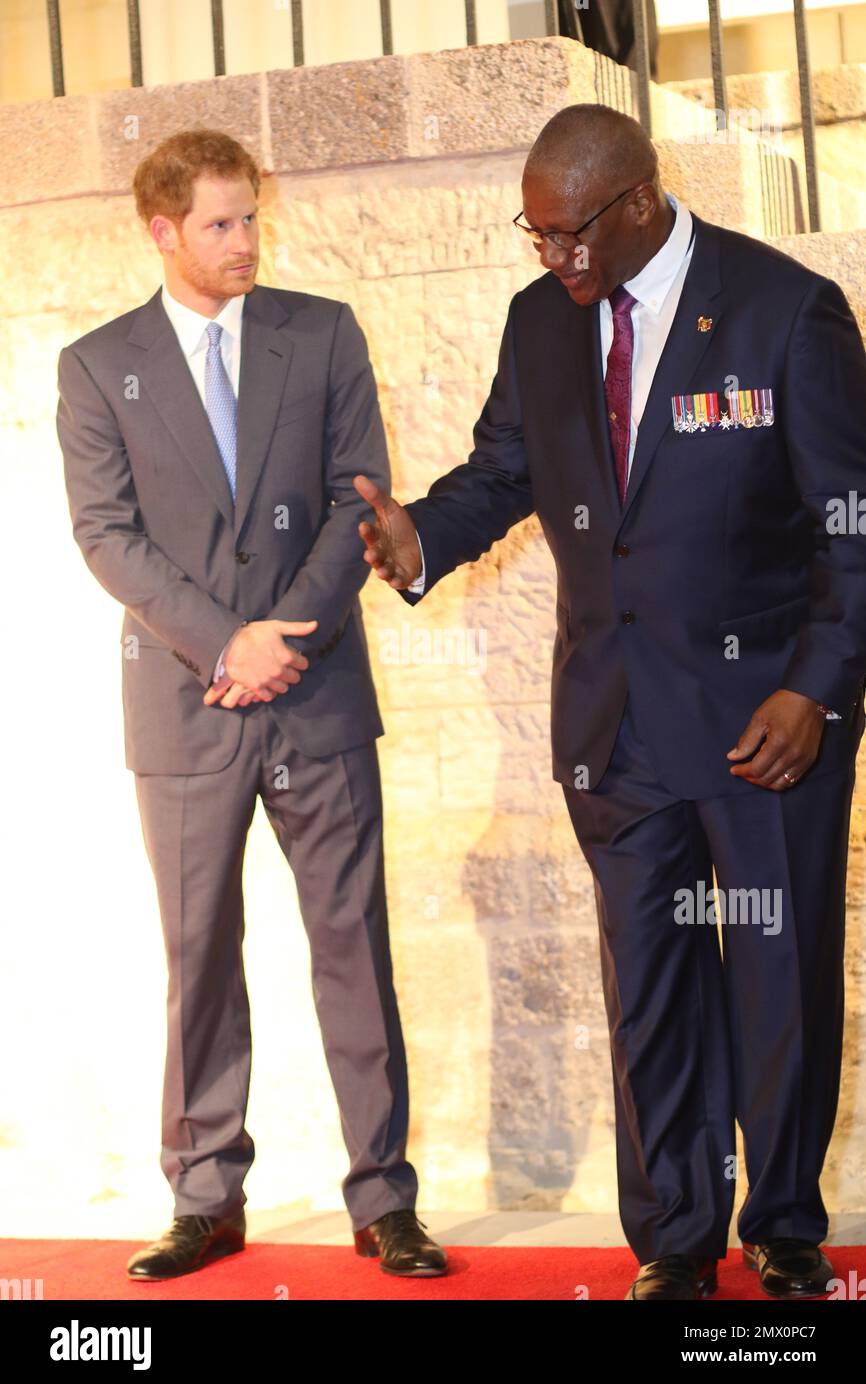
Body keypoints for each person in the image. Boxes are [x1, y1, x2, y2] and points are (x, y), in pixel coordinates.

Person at [353, 103, 866, 1300]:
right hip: (615, 725)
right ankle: (674, 1240)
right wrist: (419, 536)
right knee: (647, 984)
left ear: (639, 199)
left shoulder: (784, 310)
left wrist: (814, 689)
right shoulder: (541, 320)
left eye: (569, 235)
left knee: (777, 976)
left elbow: (852, 529)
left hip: (762, 730)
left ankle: (782, 1222)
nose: (552, 261)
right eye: (533, 237)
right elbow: (504, 469)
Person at [56, 128, 446, 1281]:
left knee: (353, 947)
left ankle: (384, 1200)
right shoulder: (95, 366)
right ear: (164, 231)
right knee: (199, 953)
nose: (244, 243)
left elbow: (358, 499)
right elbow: (105, 535)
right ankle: (204, 1193)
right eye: (219, 224)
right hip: (183, 708)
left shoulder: (320, 334)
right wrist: (222, 640)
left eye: (251, 218)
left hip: (315, 692)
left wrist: (285, 636)